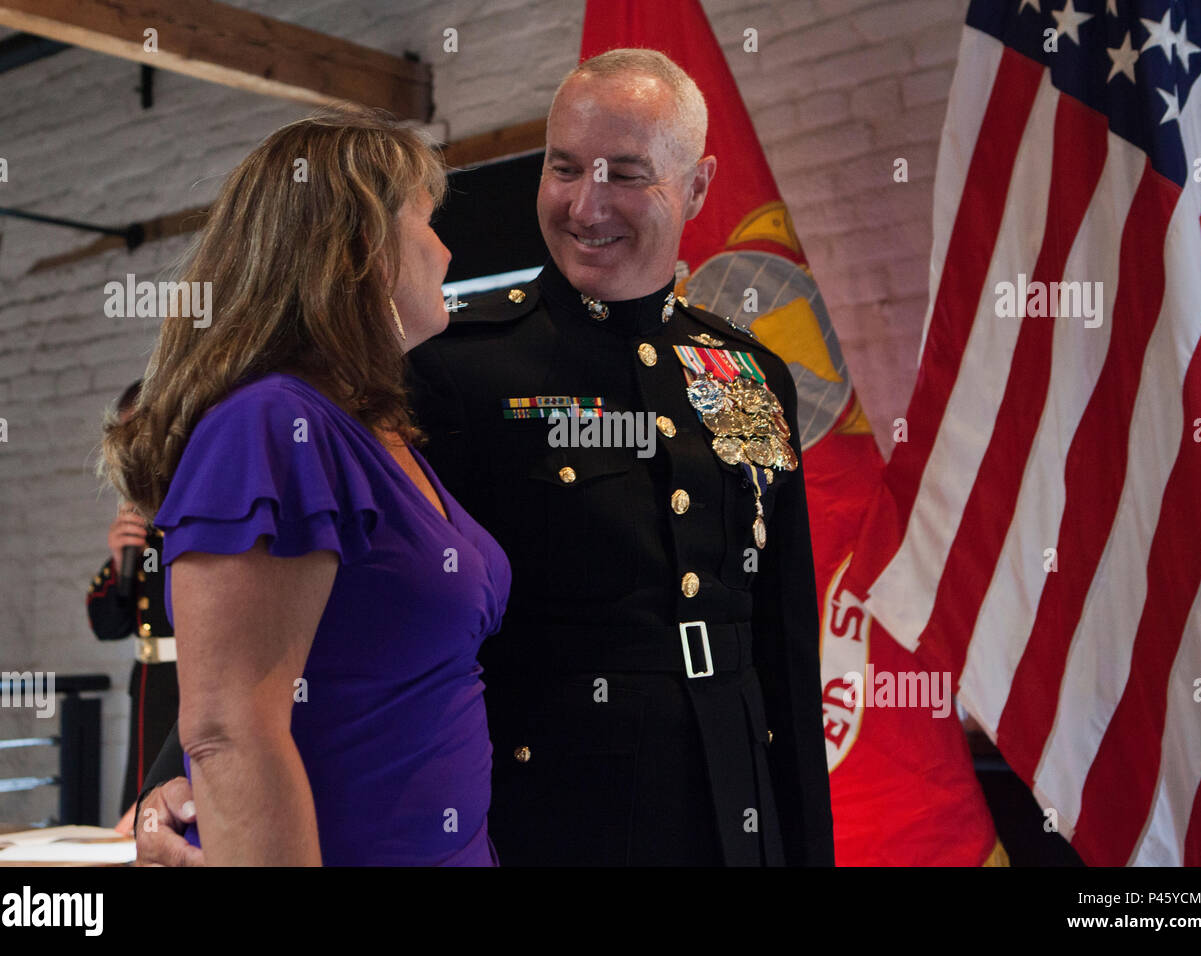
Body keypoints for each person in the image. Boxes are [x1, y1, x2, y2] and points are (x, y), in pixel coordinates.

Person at [136, 48, 833, 866]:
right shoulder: (453, 364)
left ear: (698, 188)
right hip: (548, 819)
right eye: (564, 168)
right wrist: (176, 784)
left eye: (625, 175)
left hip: (732, 808)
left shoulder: (750, 374)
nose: (585, 203)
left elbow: (784, 643)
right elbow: (298, 611)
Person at [101, 106, 510, 865]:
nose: (448, 251)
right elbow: (230, 730)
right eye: (428, 222)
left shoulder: (375, 431)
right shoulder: (271, 424)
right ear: (365, 246)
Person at [86, 380, 179, 820]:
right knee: (138, 802)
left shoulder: (183, 515)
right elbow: (108, 624)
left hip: (191, 678)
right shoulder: (139, 527)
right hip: (149, 681)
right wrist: (121, 556)